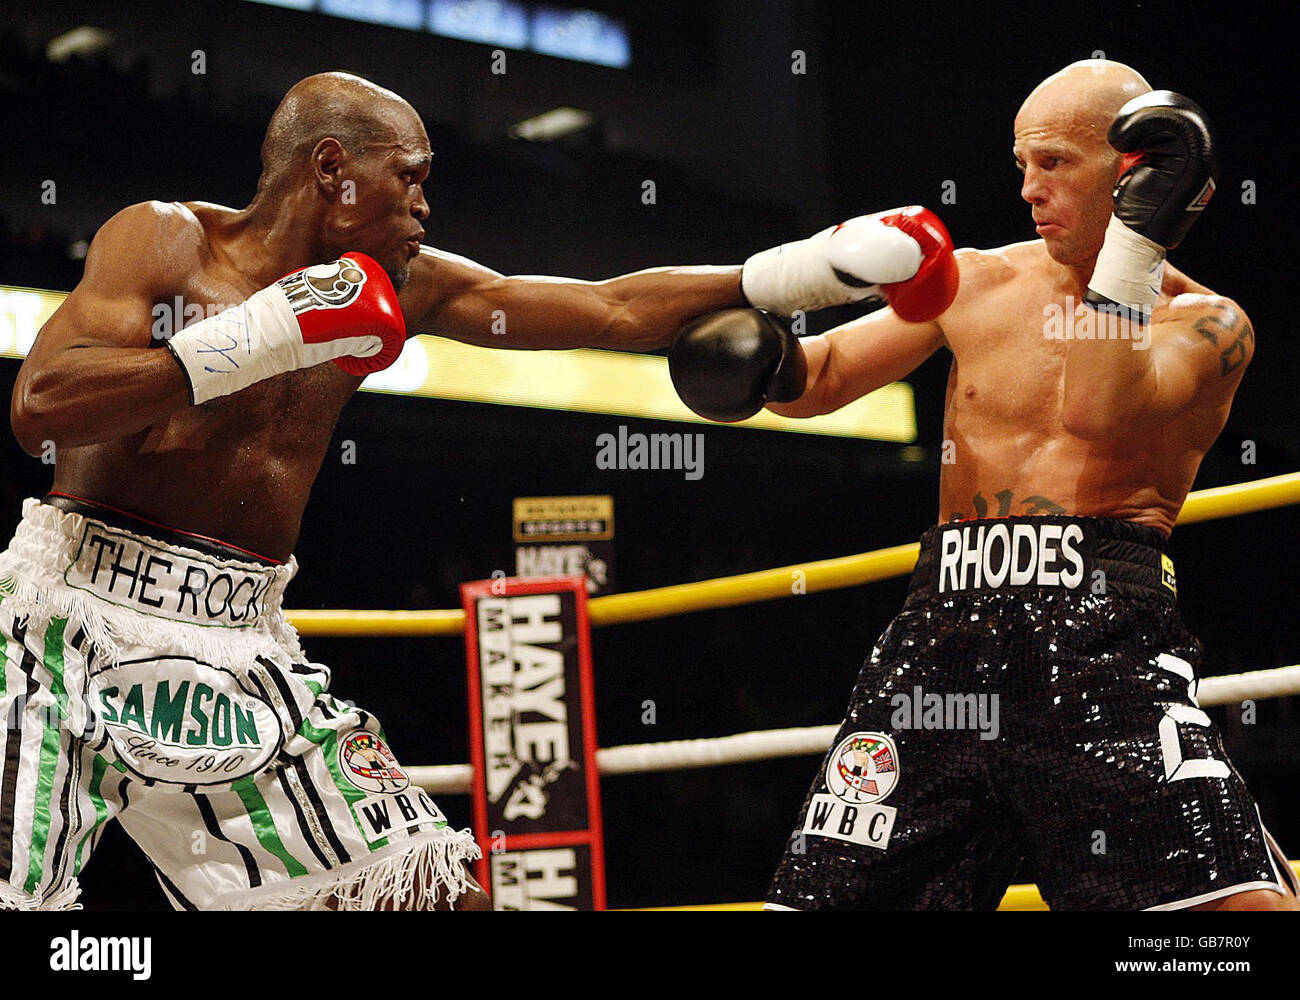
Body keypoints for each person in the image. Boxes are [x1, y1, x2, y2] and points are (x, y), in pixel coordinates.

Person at [0, 71, 955, 910]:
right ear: (332, 168)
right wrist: (259, 336)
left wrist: (801, 270)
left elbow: (611, 307)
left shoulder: (403, 284)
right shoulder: (166, 244)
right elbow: (42, 406)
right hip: (66, 622)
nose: (424, 207)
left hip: (242, 647)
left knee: (428, 892)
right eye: (408, 178)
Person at [671, 60, 1297, 910]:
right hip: (946, 630)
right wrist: (763, 359)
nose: (1029, 190)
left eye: (1054, 163)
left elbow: (1098, 410)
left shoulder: (1209, 323)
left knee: (1231, 922)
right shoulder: (975, 280)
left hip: (1101, 631)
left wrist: (1135, 245)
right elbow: (819, 380)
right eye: (1021, 165)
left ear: (1136, 168)